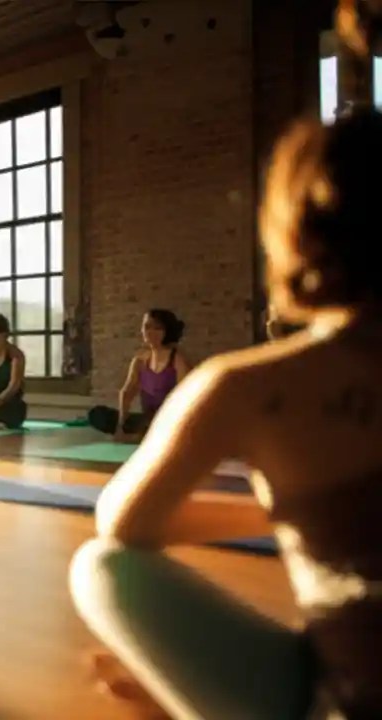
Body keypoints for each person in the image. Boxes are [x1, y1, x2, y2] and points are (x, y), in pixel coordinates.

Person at [70, 109, 382, 720]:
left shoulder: (245, 386)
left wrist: (294, 511)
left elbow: (123, 524)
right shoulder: (178, 370)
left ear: (295, 231)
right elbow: (131, 392)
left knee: (104, 568)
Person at [87, 309, 191, 443]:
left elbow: (186, 399)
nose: (150, 332)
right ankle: (143, 435)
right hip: (147, 420)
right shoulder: (140, 361)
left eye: (157, 328)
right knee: (98, 415)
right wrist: (121, 425)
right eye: (146, 327)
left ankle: (149, 436)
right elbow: (127, 393)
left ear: (167, 331)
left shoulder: (178, 360)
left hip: (171, 420)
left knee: (161, 427)